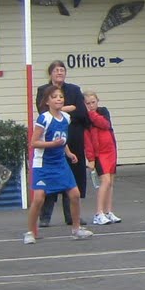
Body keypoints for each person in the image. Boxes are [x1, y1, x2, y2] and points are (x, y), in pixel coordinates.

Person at [24, 84, 92, 244]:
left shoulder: (66, 118)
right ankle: (30, 232)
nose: (58, 99)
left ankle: (76, 229)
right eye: (54, 97)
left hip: (60, 162)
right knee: (39, 198)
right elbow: (34, 143)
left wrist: (68, 152)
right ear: (47, 101)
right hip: (43, 163)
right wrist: (52, 144)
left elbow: (62, 139)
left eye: (60, 97)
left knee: (74, 194)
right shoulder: (44, 119)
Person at [37, 61, 87, 227]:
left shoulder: (74, 90)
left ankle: (72, 217)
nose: (59, 73)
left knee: (71, 179)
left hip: (73, 138)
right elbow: (43, 111)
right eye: (56, 70)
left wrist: (60, 109)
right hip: (51, 142)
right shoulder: (43, 90)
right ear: (50, 73)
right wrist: (68, 107)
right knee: (50, 179)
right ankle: (45, 217)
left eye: (62, 70)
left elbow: (81, 112)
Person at [84, 90, 120, 225]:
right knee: (105, 181)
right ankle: (98, 213)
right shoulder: (86, 118)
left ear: (97, 101)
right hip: (99, 154)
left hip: (110, 151)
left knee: (110, 182)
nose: (91, 105)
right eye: (88, 103)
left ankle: (108, 211)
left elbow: (105, 124)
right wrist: (91, 159)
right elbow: (87, 140)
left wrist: (93, 114)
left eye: (93, 102)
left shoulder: (103, 111)